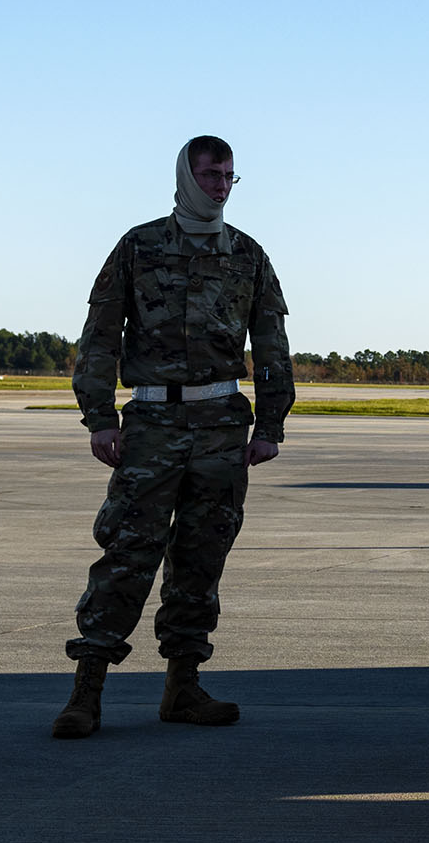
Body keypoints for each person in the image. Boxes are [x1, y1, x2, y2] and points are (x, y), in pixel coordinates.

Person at [50, 136, 294, 739]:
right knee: (128, 552)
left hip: (220, 429)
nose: (220, 185)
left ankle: (183, 686)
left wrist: (271, 425)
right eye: (211, 174)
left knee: (202, 557)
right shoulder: (139, 246)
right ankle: (87, 692)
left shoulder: (248, 255)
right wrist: (100, 415)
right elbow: (100, 337)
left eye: (229, 177)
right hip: (153, 426)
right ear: (186, 175)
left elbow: (270, 345)